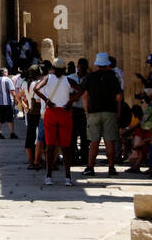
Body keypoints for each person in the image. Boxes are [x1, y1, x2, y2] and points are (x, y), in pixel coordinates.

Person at [35, 57, 77, 185]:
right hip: (64, 112)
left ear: (53, 68)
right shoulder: (68, 80)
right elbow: (82, 90)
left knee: (50, 145)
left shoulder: (48, 78)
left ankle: (48, 176)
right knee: (65, 146)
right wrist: (70, 102)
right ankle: (68, 178)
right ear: (64, 70)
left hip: (51, 112)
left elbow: (36, 88)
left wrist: (47, 100)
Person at [81, 52, 122, 177]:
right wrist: (118, 112)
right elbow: (119, 97)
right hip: (110, 112)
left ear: (97, 64)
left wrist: (86, 111)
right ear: (107, 64)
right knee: (109, 141)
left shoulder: (90, 77)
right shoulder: (113, 77)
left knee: (94, 141)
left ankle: (90, 167)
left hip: (93, 112)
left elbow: (85, 96)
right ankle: (111, 167)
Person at [0, 68, 17, 139]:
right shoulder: (8, 80)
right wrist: (16, 99)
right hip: (7, 102)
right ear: (5, 73)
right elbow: (12, 91)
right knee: (10, 118)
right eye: (7, 72)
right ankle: (12, 133)